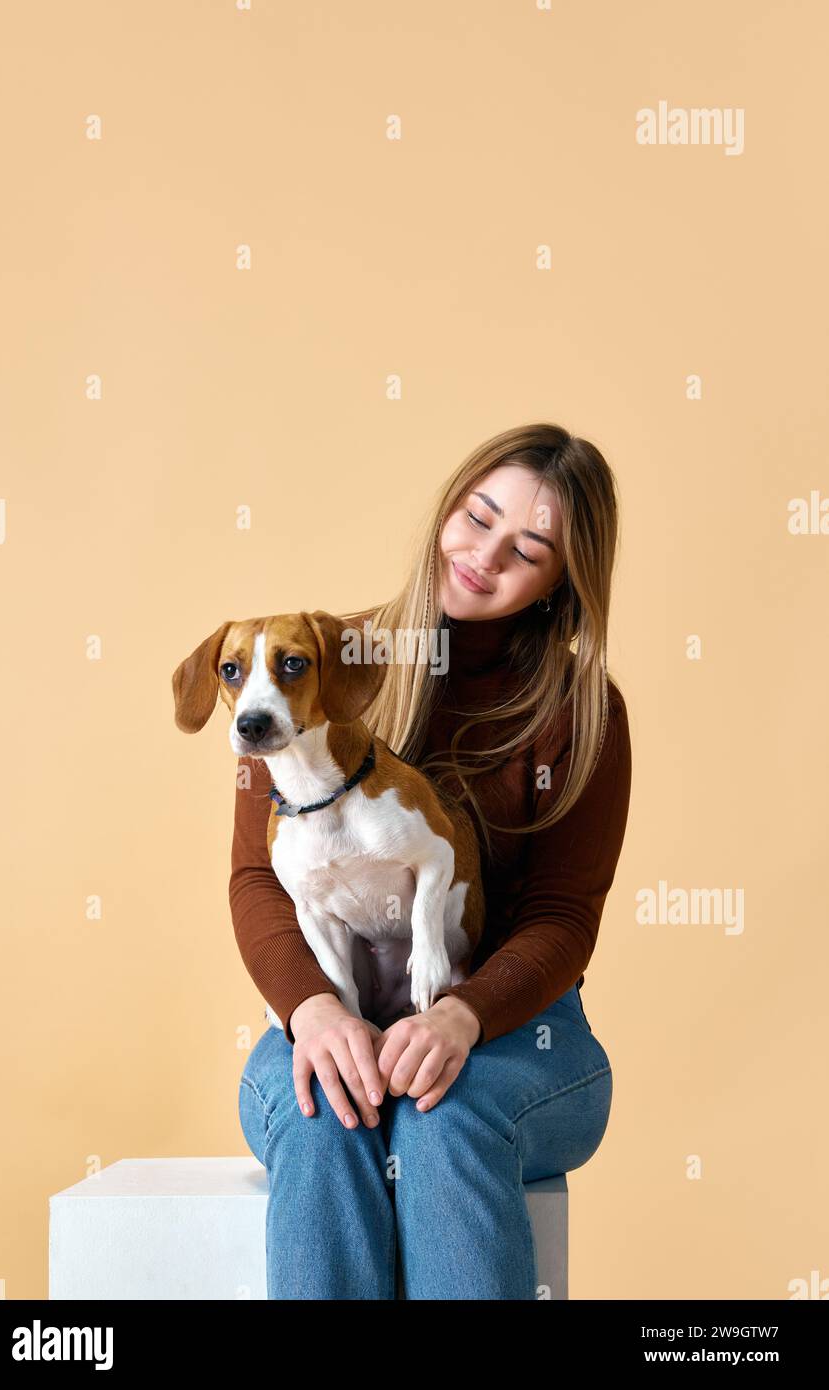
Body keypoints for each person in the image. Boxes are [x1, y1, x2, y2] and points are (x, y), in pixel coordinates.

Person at [231, 422, 632, 1299]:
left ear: (562, 581)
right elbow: (258, 879)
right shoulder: (311, 658)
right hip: (333, 999)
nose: (484, 556)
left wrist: (462, 1016)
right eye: (476, 516)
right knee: (323, 1115)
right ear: (447, 503)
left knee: (442, 1116)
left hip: (522, 1026)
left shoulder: (582, 707)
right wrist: (312, 1012)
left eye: (526, 547)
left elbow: (564, 916)